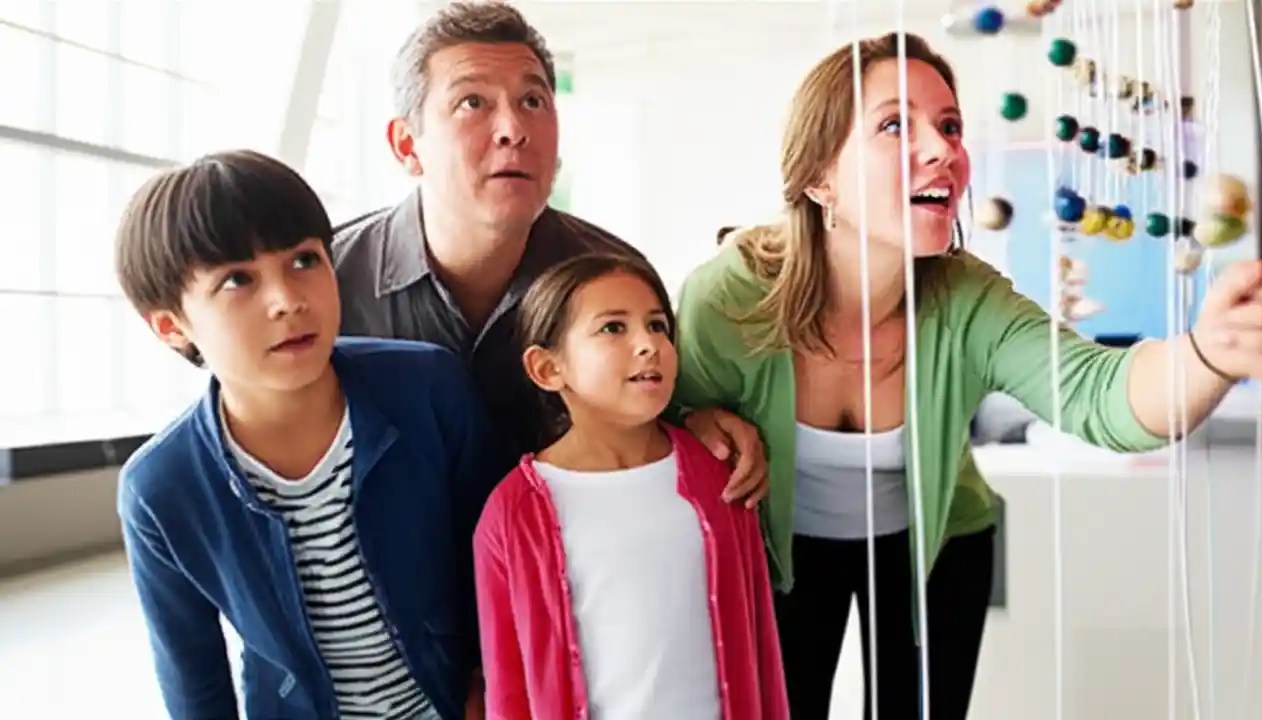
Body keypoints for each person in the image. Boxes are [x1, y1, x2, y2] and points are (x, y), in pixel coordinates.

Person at [673, 33, 1262, 719]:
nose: (944, 149)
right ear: (819, 178)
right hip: (781, 555)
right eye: (896, 123)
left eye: (950, 125)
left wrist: (1209, 352)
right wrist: (693, 421)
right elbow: (653, 423)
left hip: (936, 551)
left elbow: (1099, 396)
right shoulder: (730, 297)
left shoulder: (968, 298)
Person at [114, 150, 502, 719]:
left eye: (304, 261)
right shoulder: (159, 488)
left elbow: (499, 556)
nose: (287, 300)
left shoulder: (427, 386)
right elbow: (192, 675)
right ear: (172, 325)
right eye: (238, 280)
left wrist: (491, 682)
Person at [330, 0, 766, 504]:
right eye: (472, 102)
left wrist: (696, 424)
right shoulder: (330, 283)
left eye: (533, 102)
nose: (513, 129)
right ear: (407, 145)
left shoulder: (613, 278)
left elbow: (648, 419)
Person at [472, 253, 788, 719]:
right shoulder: (513, 514)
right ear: (546, 369)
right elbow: (509, 684)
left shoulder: (720, 476)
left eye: (658, 325)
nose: (648, 344)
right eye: (613, 328)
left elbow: (760, 646)